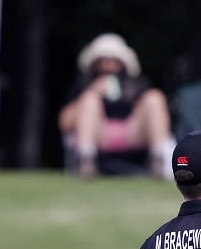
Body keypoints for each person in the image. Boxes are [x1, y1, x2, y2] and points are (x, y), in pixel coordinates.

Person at [59, 33, 171, 179]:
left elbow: (152, 114)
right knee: (89, 101)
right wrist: (92, 91)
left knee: (155, 98)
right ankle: (86, 163)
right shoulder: (84, 86)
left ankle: (159, 161)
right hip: (98, 135)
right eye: (103, 60)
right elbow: (65, 123)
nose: (107, 64)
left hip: (133, 134)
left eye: (112, 60)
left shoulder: (136, 84)